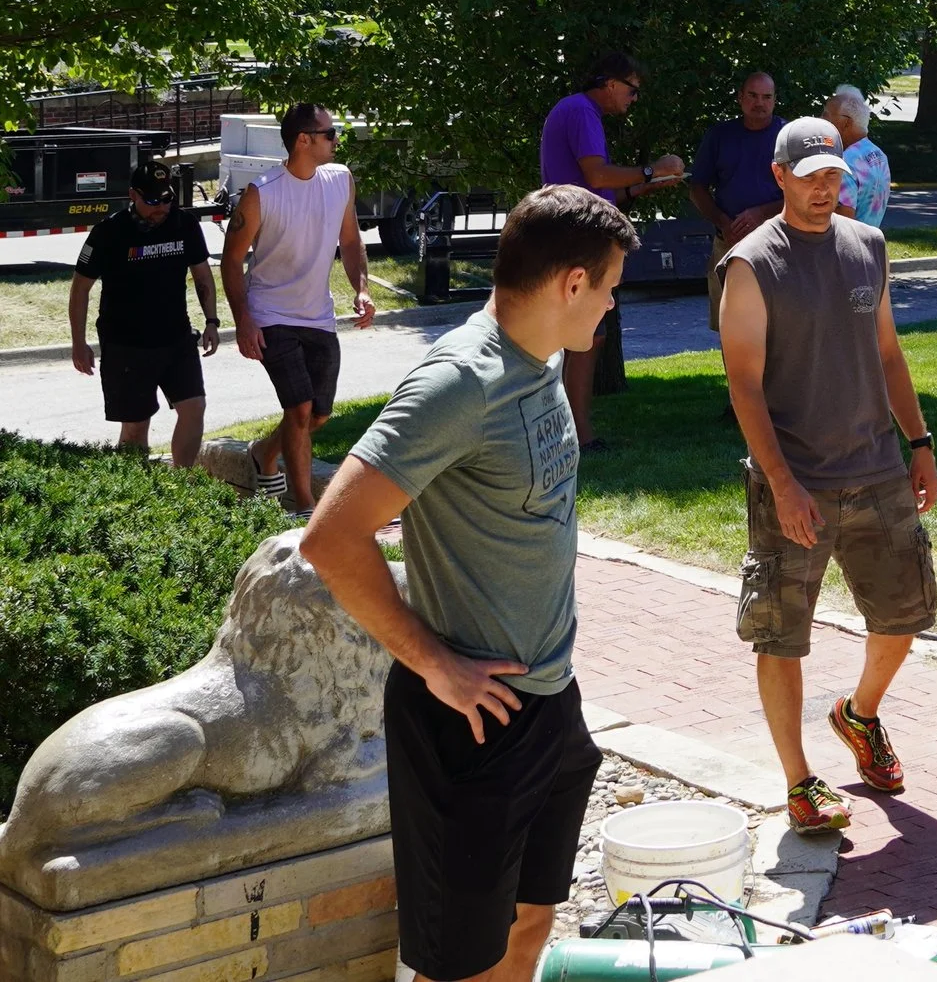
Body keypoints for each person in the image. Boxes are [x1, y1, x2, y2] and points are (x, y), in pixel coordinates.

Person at [303, 186, 634, 982]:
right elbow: (331, 536)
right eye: (612, 284)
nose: (615, 301)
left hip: (548, 703)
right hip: (469, 720)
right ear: (572, 282)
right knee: (460, 965)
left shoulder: (542, 358)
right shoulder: (460, 382)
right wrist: (435, 663)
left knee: (529, 923)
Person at [719, 116, 937, 834]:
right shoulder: (753, 263)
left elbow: (888, 353)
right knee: (781, 635)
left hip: (876, 464)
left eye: (833, 177)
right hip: (797, 479)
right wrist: (782, 483)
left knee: (906, 612)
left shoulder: (866, 246)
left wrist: (921, 440)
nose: (823, 189)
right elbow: (744, 384)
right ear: (780, 175)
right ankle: (799, 780)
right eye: (809, 175)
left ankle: (859, 713)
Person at [222, 101, 375, 511]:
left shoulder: (340, 180)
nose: (336, 140)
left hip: (317, 315)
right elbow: (232, 259)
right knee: (300, 407)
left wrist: (361, 288)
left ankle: (264, 452)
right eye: (329, 133)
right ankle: (303, 505)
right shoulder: (262, 193)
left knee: (318, 416)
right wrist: (243, 320)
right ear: (304, 140)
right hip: (271, 314)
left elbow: (350, 240)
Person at [538, 52, 685, 446]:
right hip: (575, 235)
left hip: (571, 231)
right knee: (585, 337)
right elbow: (598, 175)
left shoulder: (578, 111)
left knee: (586, 336)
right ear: (611, 83)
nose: (633, 99)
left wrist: (643, 187)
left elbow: (601, 191)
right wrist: (653, 169)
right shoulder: (583, 112)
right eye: (632, 90)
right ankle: (578, 436)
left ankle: (570, 431)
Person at [69, 156, 220, 466]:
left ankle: (183, 487)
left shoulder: (185, 225)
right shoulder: (109, 233)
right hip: (126, 345)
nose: (161, 207)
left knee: (194, 408)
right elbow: (80, 288)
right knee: (136, 427)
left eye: (167, 198)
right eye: (152, 199)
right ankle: (134, 493)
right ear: (133, 195)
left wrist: (212, 321)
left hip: (176, 338)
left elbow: (202, 276)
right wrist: (78, 342)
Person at [688, 70, 785, 329]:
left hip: (777, 244)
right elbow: (697, 188)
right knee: (730, 326)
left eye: (767, 97)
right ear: (740, 98)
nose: (759, 103)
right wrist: (723, 222)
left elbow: (802, 193)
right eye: (752, 95)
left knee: (776, 327)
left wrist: (761, 213)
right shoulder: (720, 135)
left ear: (775, 100)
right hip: (727, 244)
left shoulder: (788, 137)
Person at [827, 86, 891, 231]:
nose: (821, 120)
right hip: (870, 243)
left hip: (847, 248)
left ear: (845, 123)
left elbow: (843, 222)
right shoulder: (879, 155)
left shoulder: (844, 163)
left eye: (826, 115)